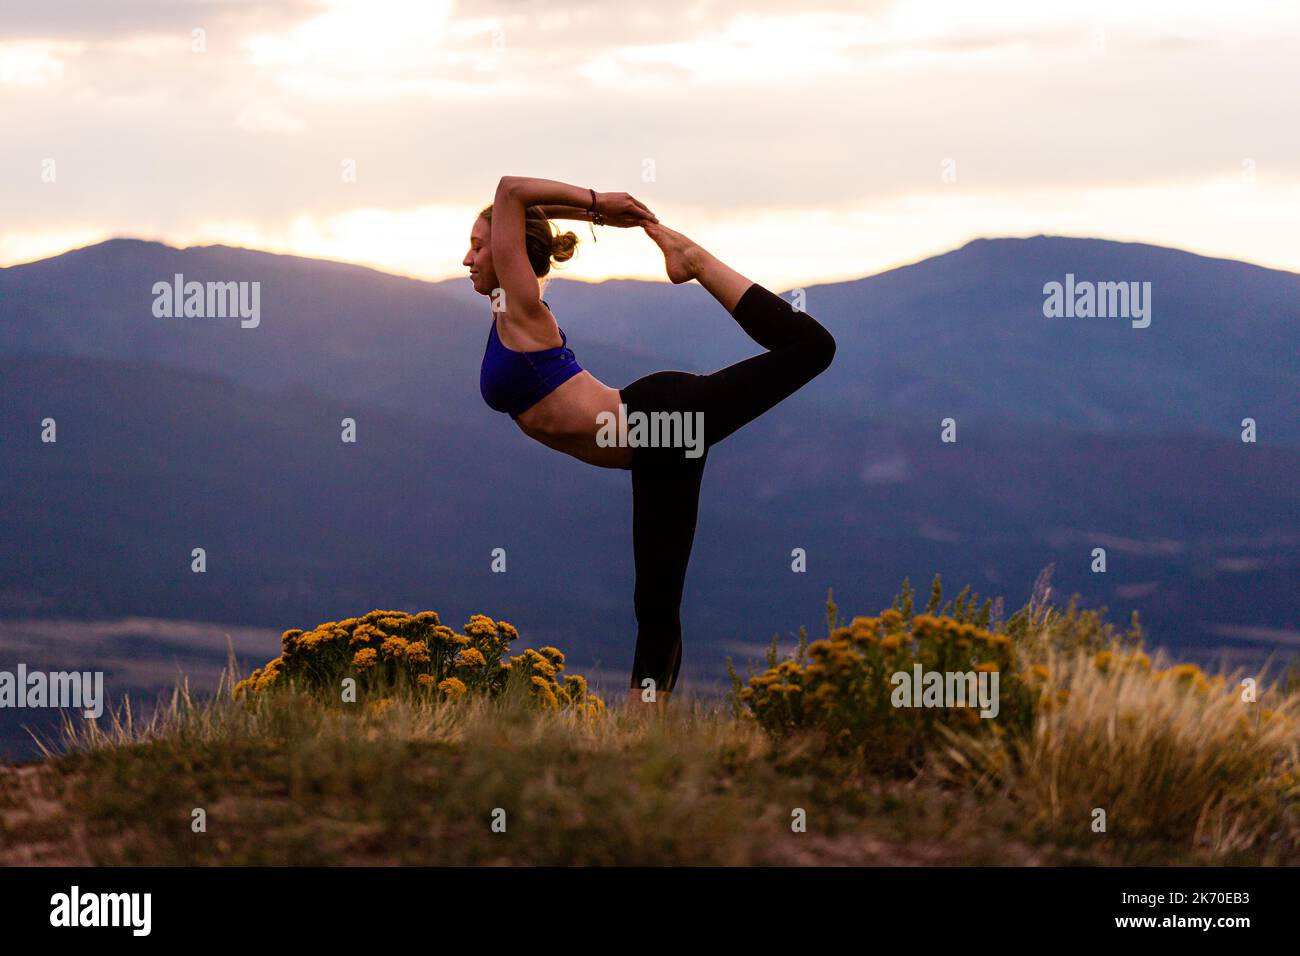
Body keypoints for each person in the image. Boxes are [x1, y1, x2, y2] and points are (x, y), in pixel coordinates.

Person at [466, 176, 835, 716]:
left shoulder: (522, 307)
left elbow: (510, 191)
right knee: (657, 597)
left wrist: (598, 205)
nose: (468, 258)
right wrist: (593, 216)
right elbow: (517, 209)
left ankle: (695, 260)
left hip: (659, 421)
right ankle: (645, 725)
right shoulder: (505, 309)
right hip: (653, 435)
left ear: (508, 252)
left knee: (812, 347)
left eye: (480, 246)